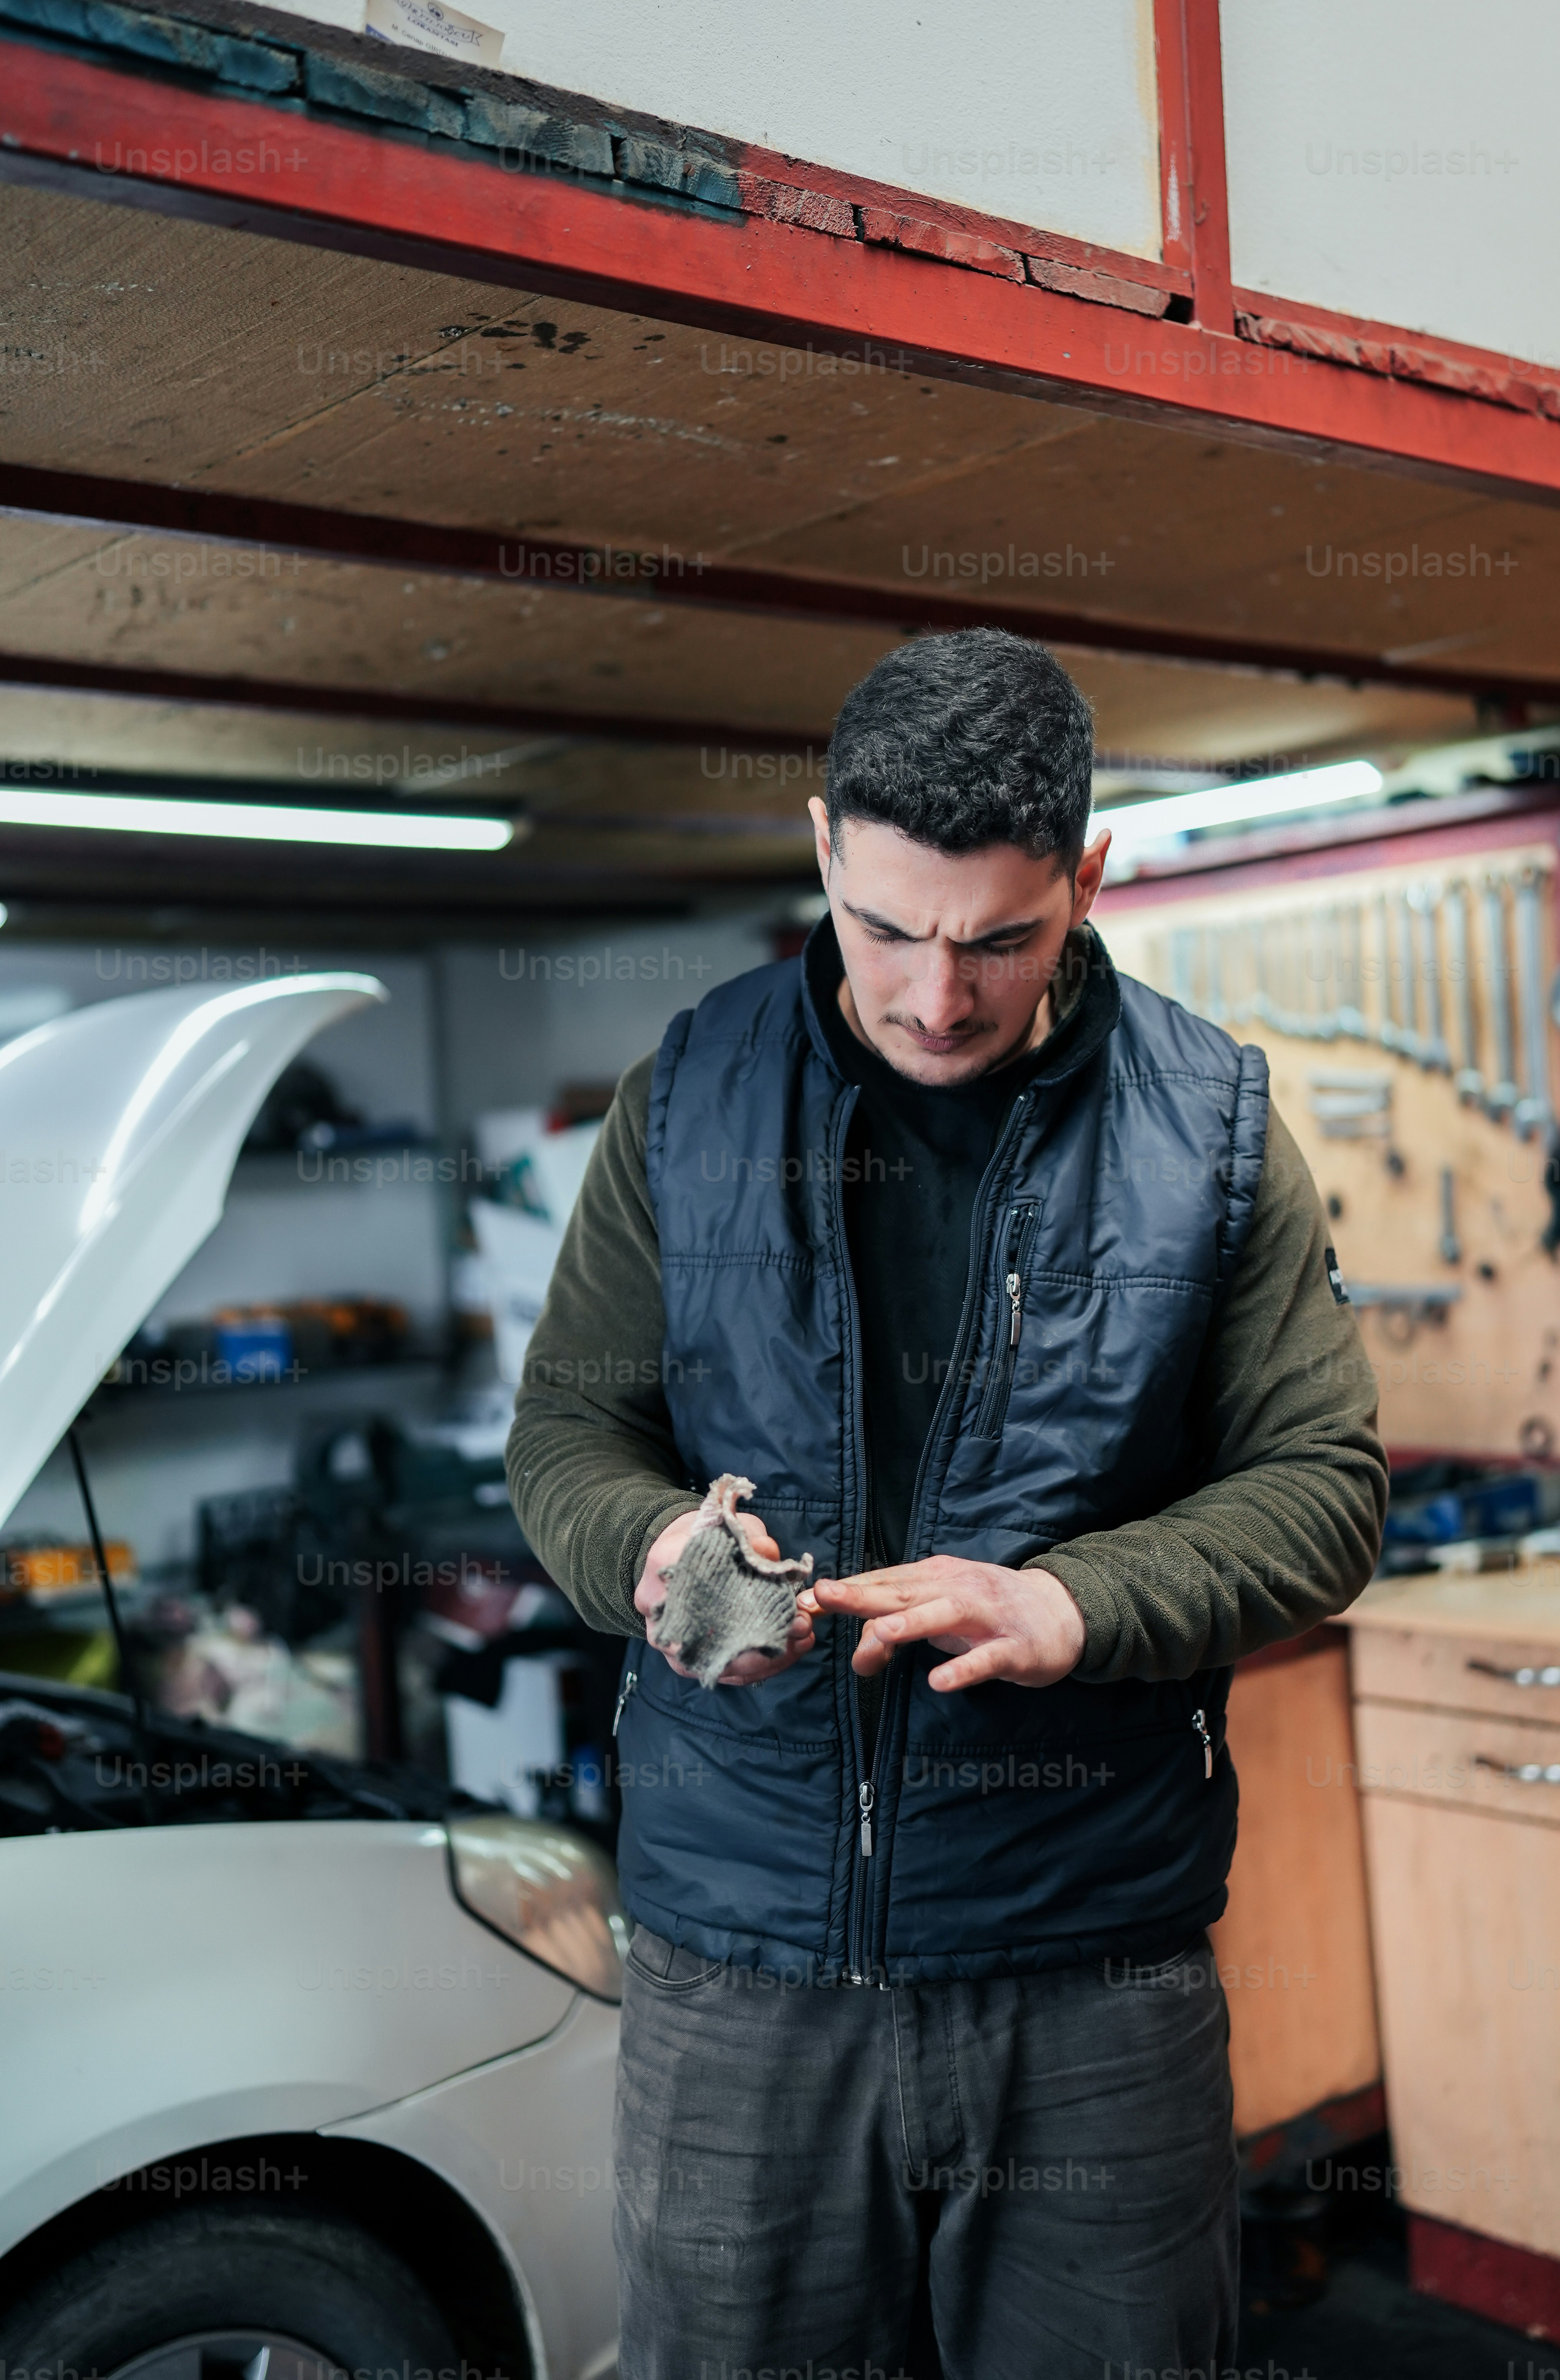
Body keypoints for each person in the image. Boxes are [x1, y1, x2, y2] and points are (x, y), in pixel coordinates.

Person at [508, 627, 1386, 2378]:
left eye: (998, 938)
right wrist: (660, 1547)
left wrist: (1077, 1607)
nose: (934, 995)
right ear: (825, 843)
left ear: (1087, 875)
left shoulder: (1208, 1125)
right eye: (889, 928)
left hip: (1090, 1974)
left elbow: (1324, 1486)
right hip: (738, 1975)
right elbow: (564, 1439)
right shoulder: (683, 1102)